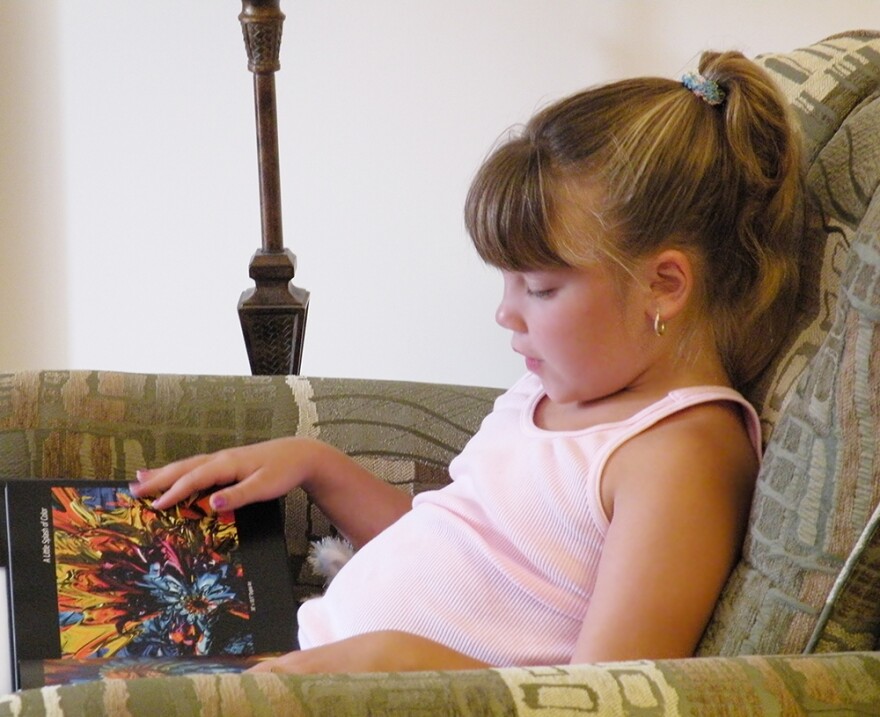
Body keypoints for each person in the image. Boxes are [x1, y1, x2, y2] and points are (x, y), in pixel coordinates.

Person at [132, 49, 806, 674]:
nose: (506, 313)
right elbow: (463, 551)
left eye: (539, 288)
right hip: (307, 662)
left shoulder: (679, 453)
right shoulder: (551, 390)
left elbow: (608, 696)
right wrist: (316, 464)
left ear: (664, 284)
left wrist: (390, 661)